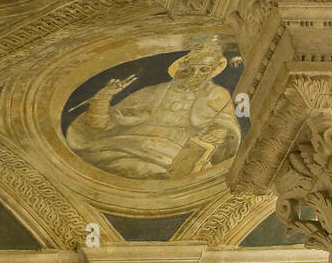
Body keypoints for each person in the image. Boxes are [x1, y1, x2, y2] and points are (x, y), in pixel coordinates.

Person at [65, 37, 239, 180]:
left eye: (203, 70)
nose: (195, 75)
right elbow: (98, 125)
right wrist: (103, 98)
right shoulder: (152, 92)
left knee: (168, 174)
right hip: (128, 146)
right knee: (129, 168)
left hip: (178, 153)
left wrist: (218, 132)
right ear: (180, 70)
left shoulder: (217, 94)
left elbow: (225, 124)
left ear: (212, 72)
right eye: (189, 69)